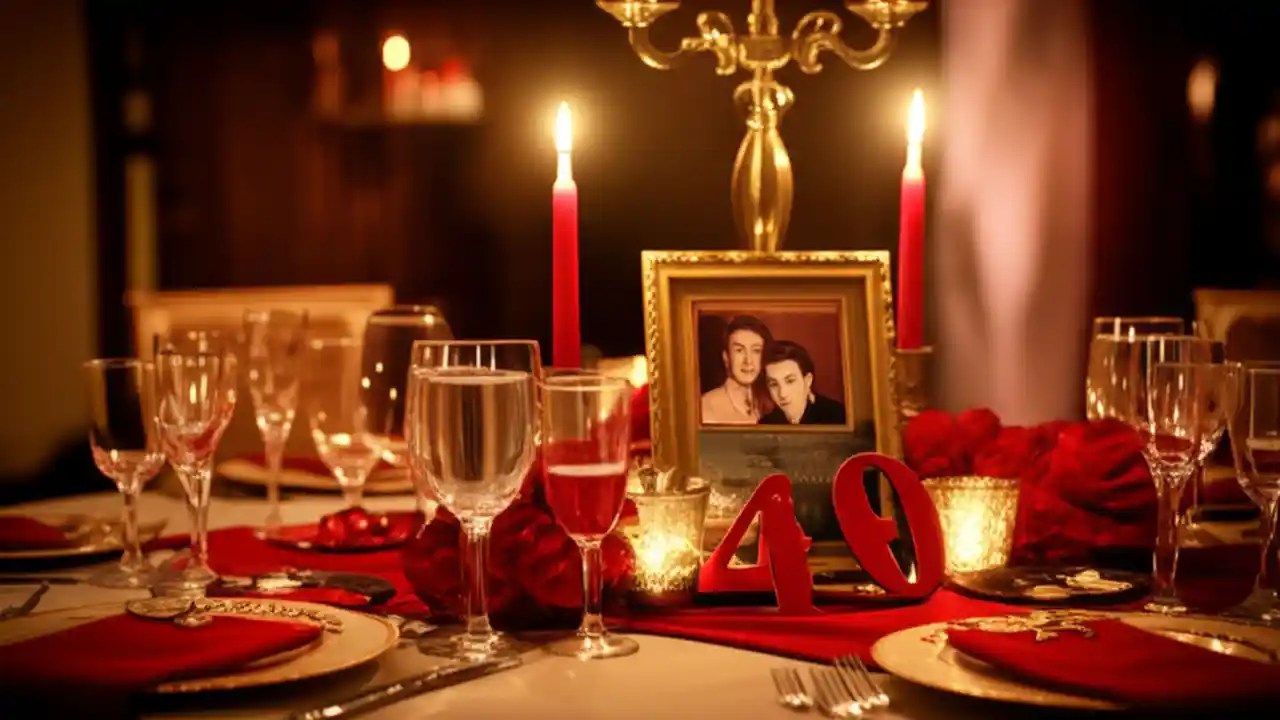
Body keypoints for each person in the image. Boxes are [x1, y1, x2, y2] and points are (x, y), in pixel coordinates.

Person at [700, 315, 773, 425]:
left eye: (756, 351)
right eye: (739, 350)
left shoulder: (773, 401)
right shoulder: (706, 407)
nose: (748, 360)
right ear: (726, 357)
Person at [760, 340, 847, 425]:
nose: (782, 394)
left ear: (807, 380)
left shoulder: (836, 417)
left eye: (790, 381)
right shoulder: (767, 424)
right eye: (773, 384)